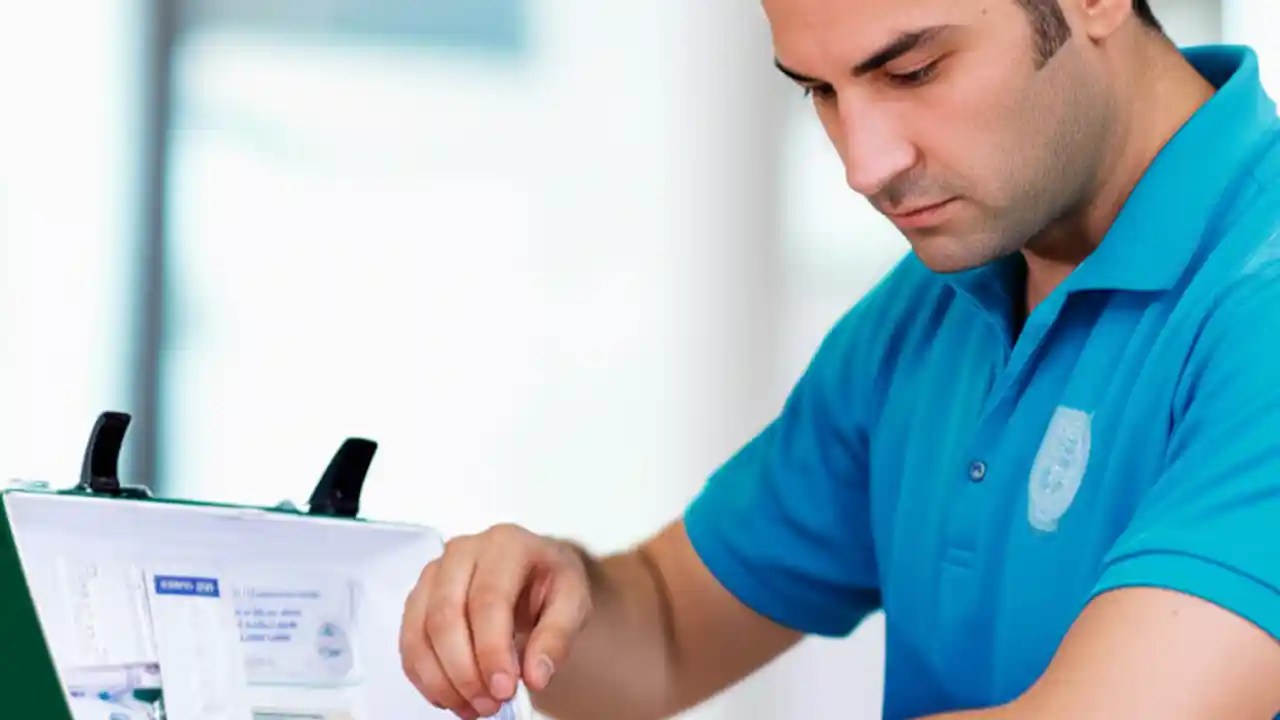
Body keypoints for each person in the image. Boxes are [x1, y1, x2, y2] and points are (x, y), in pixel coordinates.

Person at [400, 0, 1280, 717]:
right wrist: (544, 610)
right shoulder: (939, 303)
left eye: (913, 71)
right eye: (818, 90)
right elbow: (667, 634)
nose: (864, 164)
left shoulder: (1259, 295)